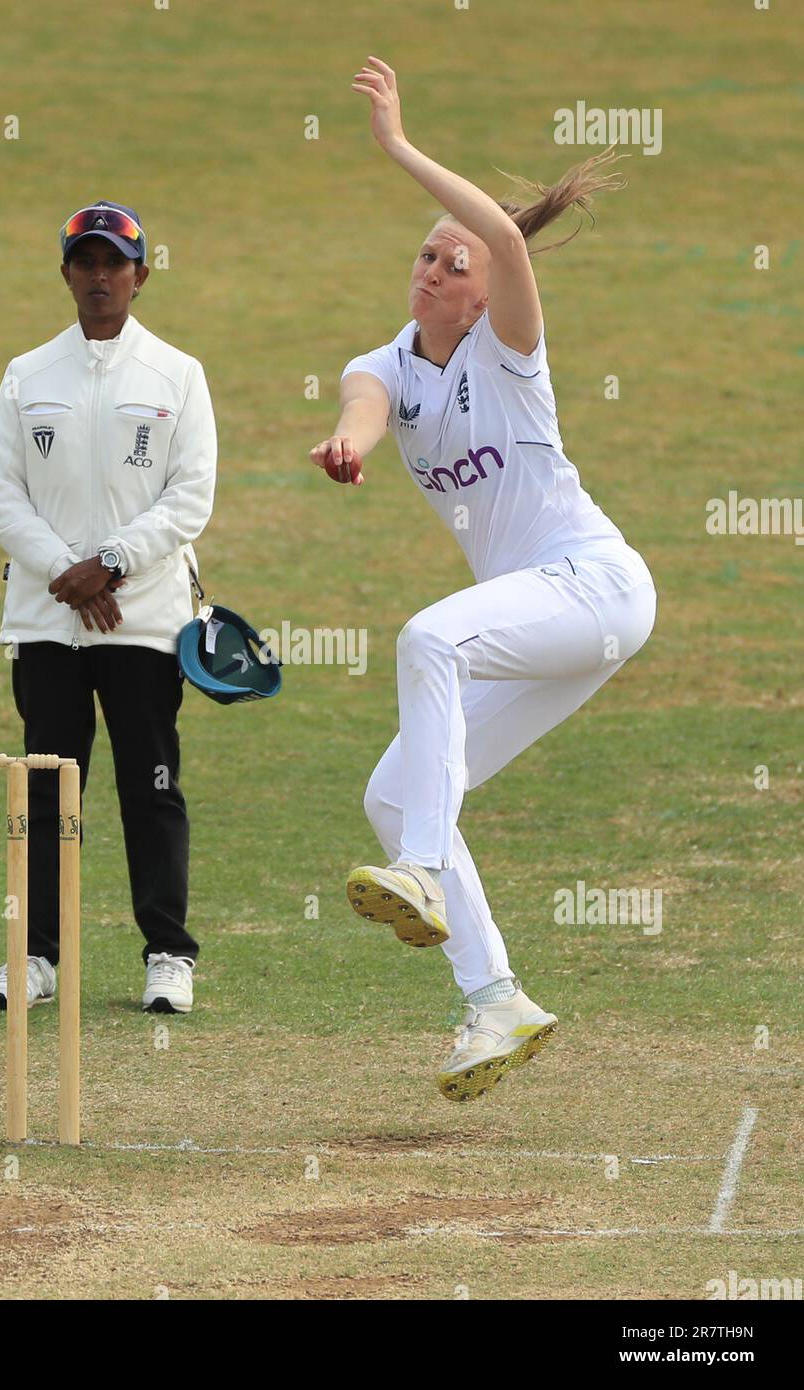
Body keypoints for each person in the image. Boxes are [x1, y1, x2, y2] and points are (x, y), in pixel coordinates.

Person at [311, 59, 657, 1102]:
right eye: (423, 254)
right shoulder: (384, 362)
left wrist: (397, 148)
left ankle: (422, 876)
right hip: (546, 629)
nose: (431, 267)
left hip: (595, 586)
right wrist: (346, 442)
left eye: (448, 260)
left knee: (427, 639)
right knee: (395, 791)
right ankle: (495, 995)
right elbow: (364, 405)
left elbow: (505, 238)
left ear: (482, 291)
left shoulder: (509, 351)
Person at [0, 201, 217, 1015]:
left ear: (141, 275)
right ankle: (36, 957)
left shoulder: (177, 374)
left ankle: (167, 954)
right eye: (85, 261)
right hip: (47, 618)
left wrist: (110, 564)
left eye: (115, 262)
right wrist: (63, 571)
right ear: (67, 274)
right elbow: (0, 493)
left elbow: (191, 497)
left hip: (143, 620)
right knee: (46, 789)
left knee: (150, 785)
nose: (100, 276)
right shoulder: (26, 375)